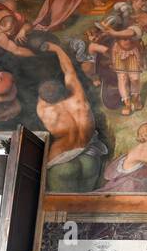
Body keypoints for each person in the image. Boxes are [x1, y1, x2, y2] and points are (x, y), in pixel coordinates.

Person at [37, 41, 104, 191]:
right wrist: (56, 48)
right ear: (63, 89)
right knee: (86, 201)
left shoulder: (44, 110)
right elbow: (68, 70)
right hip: (89, 158)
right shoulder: (77, 97)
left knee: (62, 204)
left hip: (61, 162)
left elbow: (43, 95)